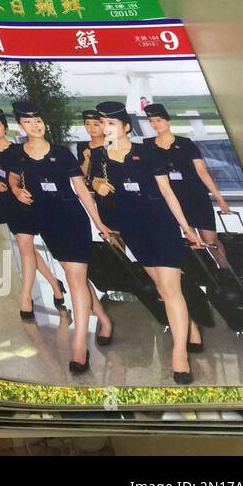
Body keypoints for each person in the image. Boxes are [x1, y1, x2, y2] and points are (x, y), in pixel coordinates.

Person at [90, 101, 204, 383]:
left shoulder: (147, 153)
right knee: (162, 288)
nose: (106, 128)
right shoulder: (100, 156)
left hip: (160, 226)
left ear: (126, 127)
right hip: (132, 231)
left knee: (170, 288)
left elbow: (167, 192)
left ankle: (179, 355)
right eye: (103, 123)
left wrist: (186, 228)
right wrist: (97, 185)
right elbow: (92, 180)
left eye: (112, 123)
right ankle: (189, 323)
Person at [8, 100, 115, 375]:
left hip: (72, 219)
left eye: (38, 119)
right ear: (21, 125)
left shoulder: (62, 153)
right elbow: (11, 177)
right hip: (47, 223)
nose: (36, 124)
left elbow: (81, 190)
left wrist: (99, 223)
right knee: (76, 277)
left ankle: (79, 344)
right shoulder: (18, 154)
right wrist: (17, 190)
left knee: (75, 278)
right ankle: (103, 319)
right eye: (29, 121)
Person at [0, 107, 66, 320]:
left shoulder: (17, 150)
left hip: (21, 201)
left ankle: (25, 298)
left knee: (25, 249)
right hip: (4, 202)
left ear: (6, 128)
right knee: (27, 249)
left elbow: (19, 176)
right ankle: (55, 284)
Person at [143, 102, 231, 268]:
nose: (155, 124)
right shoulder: (147, 146)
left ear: (168, 121)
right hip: (171, 199)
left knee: (210, 239)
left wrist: (219, 198)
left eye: (159, 120)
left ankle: (225, 269)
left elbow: (201, 171)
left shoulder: (186, 144)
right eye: (152, 121)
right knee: (188, 241)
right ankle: (204, 275)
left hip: (196, 196)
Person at [76, 109, 119, 235]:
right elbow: (81, 176)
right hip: (100, 198)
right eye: (87, 124)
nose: (92, 128)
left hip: (116, 192)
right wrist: (86, 160)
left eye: (96, 124)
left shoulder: (112, 143)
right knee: (111, 234)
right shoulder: (83, 147)